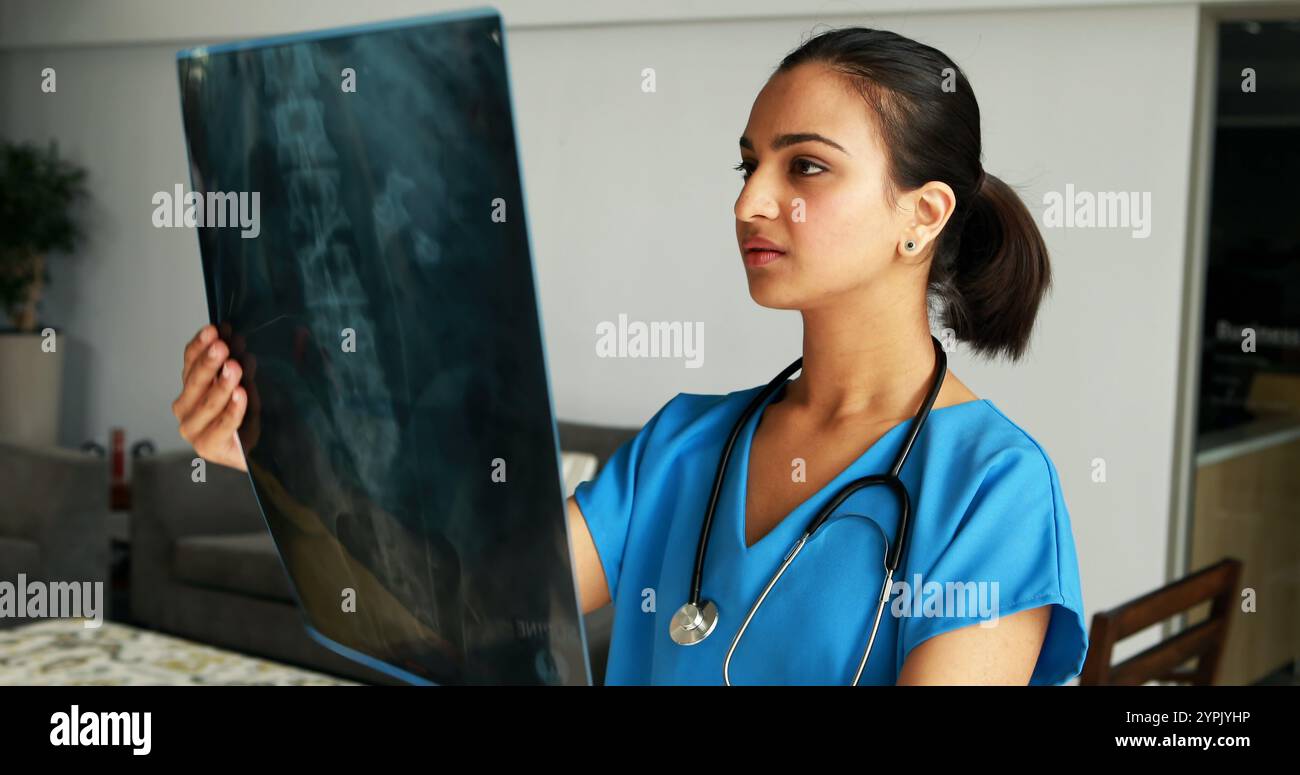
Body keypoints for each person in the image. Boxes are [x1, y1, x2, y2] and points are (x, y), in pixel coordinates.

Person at [172, 26, 1087, 685]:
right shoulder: (688, 441)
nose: (750, 202)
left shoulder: (994, 488)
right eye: (748, 165)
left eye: (804, 166)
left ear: (922, 216)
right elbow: (474, 604)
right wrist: (280, 455)